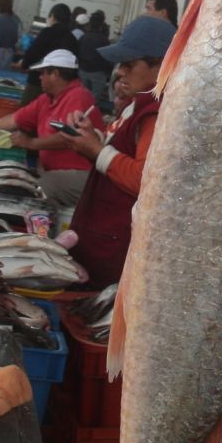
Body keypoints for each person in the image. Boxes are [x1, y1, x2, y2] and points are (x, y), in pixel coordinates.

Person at [60, 15, 175, 286]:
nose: (120, 71)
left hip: (115, 246)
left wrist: (96, 151)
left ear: (161, 66)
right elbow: (123, 146)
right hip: (100, 236)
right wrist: (92, 136)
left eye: (129, 64)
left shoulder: (157, 114)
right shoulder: (138, 103)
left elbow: (144, 179)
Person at [0, 48, 102, 212]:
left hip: (84, 174)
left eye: (43, 73)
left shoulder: (79, 96)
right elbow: (14, 119)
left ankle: (42, 228)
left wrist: (31, 143)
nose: (40, 77)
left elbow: (70, 137)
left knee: (38, 190)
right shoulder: (46, 99)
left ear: (55, 74)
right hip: (54, 172)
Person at [76, 9, 114, 111]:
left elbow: (77, 53)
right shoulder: (104, 40)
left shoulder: (83, 37)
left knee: (81, 97)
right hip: (98, 73)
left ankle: (78, 112)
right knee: (93, 101)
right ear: (101, 25)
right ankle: (88, 115)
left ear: (89, 24)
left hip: (83, 70)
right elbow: (108, 58)